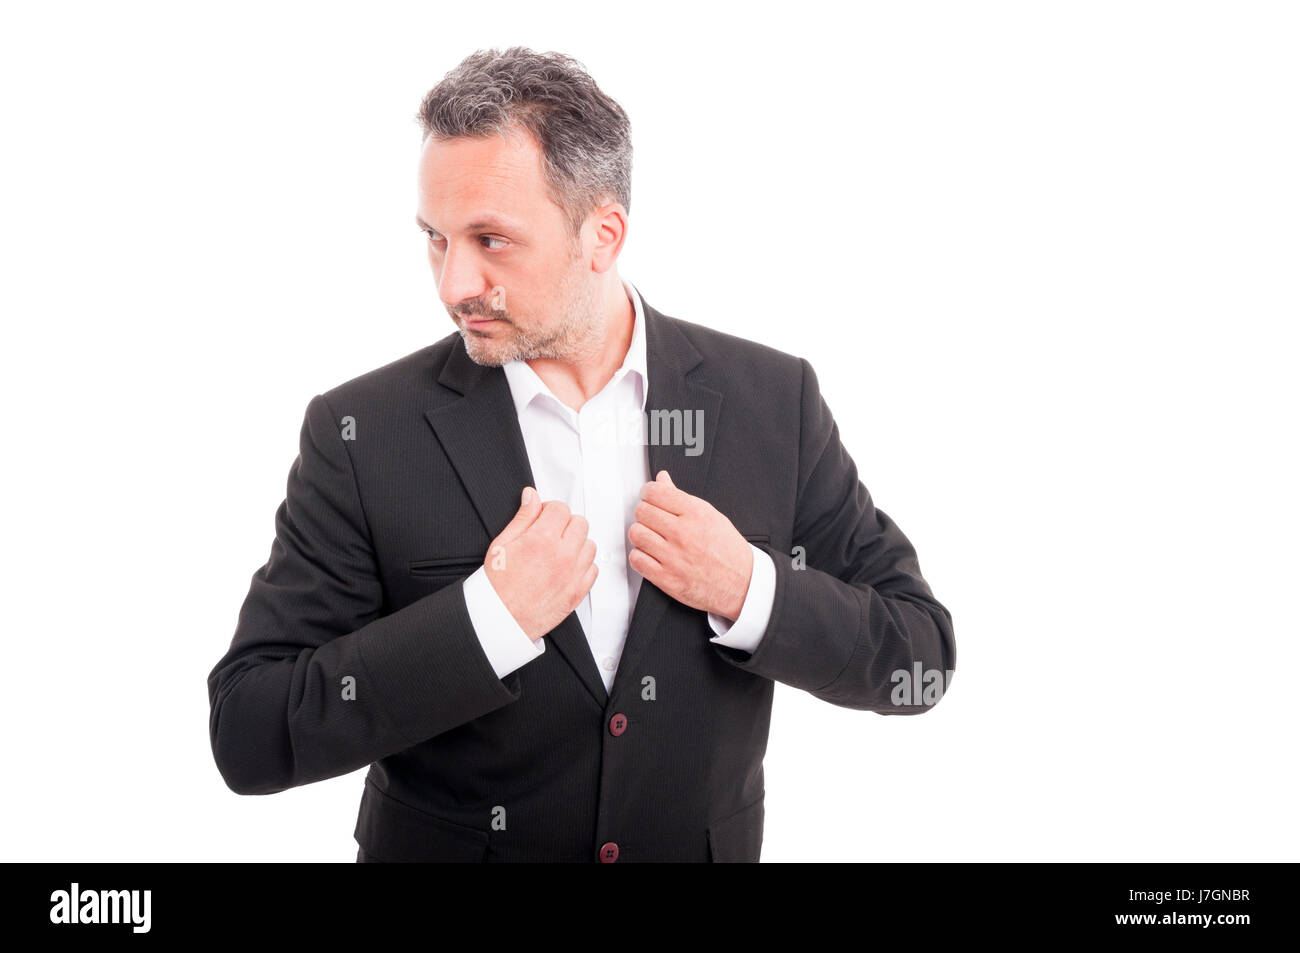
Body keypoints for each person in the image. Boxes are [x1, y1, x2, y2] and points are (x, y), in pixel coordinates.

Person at [207, 46, 956, 863]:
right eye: (436, 238)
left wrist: (750, 587)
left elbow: (917, 656)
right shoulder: (361, 432)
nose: (456, 282)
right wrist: (487, 619)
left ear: (603, 235)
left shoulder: (772, 401)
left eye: (491, 240)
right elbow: (249, 730)